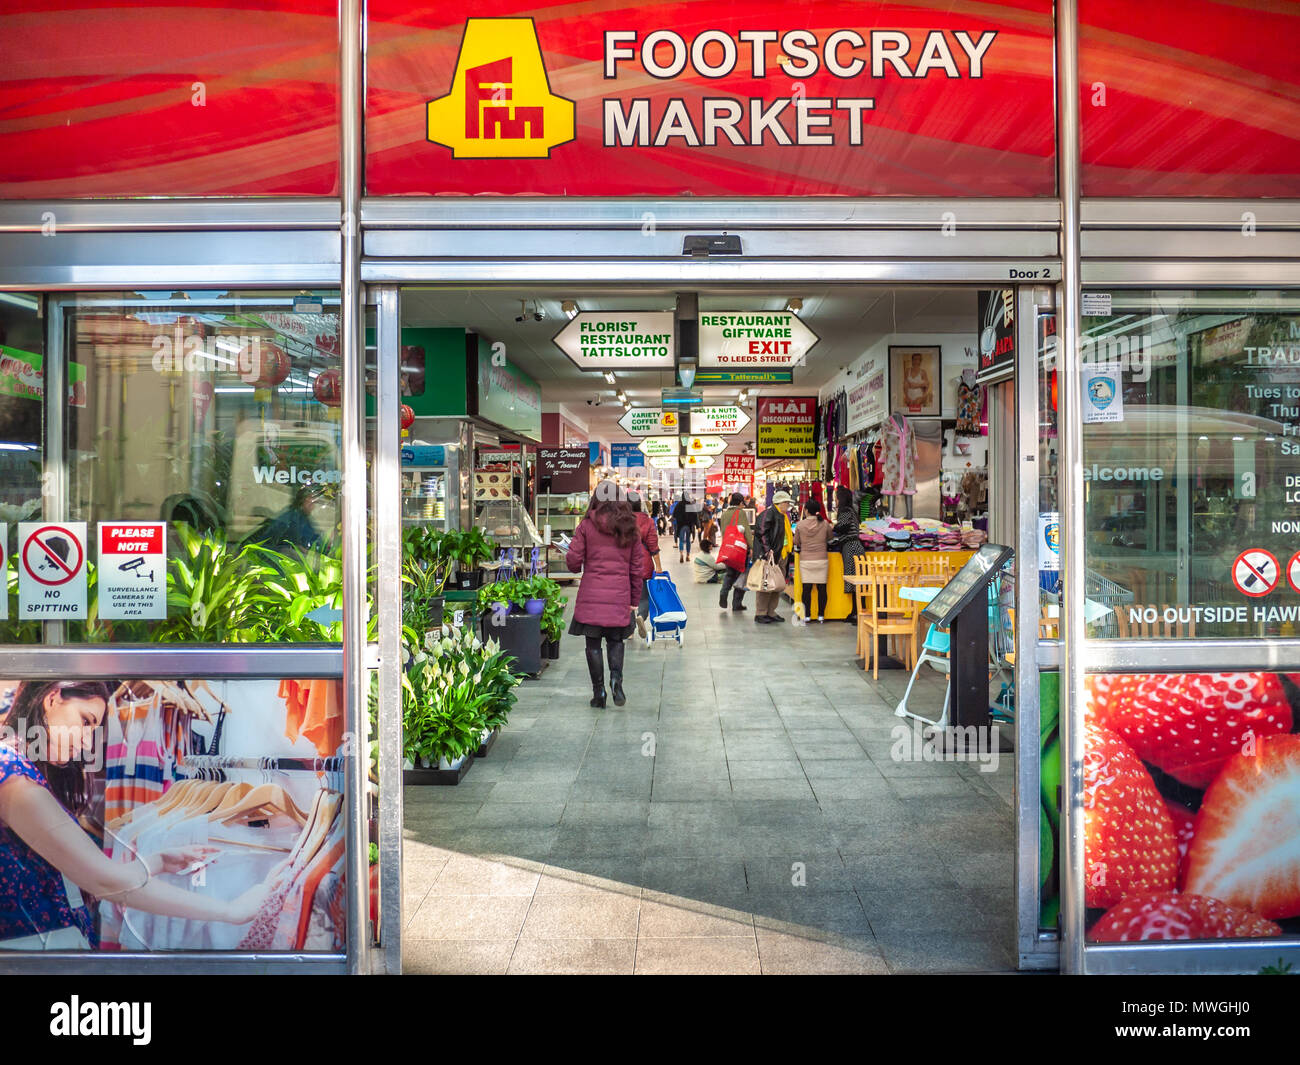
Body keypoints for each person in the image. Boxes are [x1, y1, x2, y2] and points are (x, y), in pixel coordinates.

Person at [0, 681, 271, 949]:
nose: (86, 741)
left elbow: (91, 874)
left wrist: (158, 861)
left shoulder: (18, 771)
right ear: (53, 698)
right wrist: (231, 911)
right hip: (32, 955)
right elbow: (103, 880)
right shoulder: (10, 773)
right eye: (85, 721)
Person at [566, 483, 646, 708]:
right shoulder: (631, 528)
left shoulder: (586, 526)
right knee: (615, 640)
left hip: (591, 596)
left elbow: (573, 563)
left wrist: (571, 554)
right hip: (619, 597)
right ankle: (615, 679)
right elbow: (636, 569)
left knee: (592, 644)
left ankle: (598, 692)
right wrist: (633, 600)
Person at [753, 490, 793, 624]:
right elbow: (761, 532)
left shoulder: (783, 516)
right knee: (766, 584)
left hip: (781, 554)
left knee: (777, 585)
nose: (788, 505)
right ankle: (761, 612)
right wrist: (767, 550)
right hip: (771, 555)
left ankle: (771, 611)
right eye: (786, 502)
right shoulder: (769, 514)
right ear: (779, 503)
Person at [628, 491, 661, 641]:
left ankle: (629, 631)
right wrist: (658, 567)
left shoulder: (620, 521)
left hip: (624, 563)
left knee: (626, 598)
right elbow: (653, 545)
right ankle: (641, 616)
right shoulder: (647, 521)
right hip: (643, 563)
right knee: (643, 598)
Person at [793, 498, 832, 622]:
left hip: (806, 560)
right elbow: (830, 538)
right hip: (822, 560)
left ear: (806, 510)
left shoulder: (800, 525)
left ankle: (808, 616)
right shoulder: (824, 523)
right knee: (822, 589)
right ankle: (821, 615)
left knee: (806, 589)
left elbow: (796, 542)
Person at [831, 485, 866, 623]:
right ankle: (855, 612)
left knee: (855, 581)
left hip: (851, 547)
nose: (836, 501)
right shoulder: (852, 510)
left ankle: (858, 613)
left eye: (836, 498)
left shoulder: (845, 511)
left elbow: (842, 527)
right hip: (855, 547)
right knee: (857, 581)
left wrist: (833, 527)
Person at [716, 491, 753, 612]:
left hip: (728, 548)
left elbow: (723, 531)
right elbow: (746, 530)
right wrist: (751, 547)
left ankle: (723, 592)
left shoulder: (725, 513)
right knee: (741, 575)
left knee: (730, 574)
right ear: (740, 502)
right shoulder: (740, 513)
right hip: (740, 550)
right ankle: (737, 603)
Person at [670, 493, 697, 562]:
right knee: (688, 540)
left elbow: (674, 515)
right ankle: (688, 555)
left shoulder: (678, 505)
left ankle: (681, 554)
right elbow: (694, 515)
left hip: (681, 525)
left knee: (681, 540)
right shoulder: (690, 505)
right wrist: (696, 525)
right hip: (688, 525)